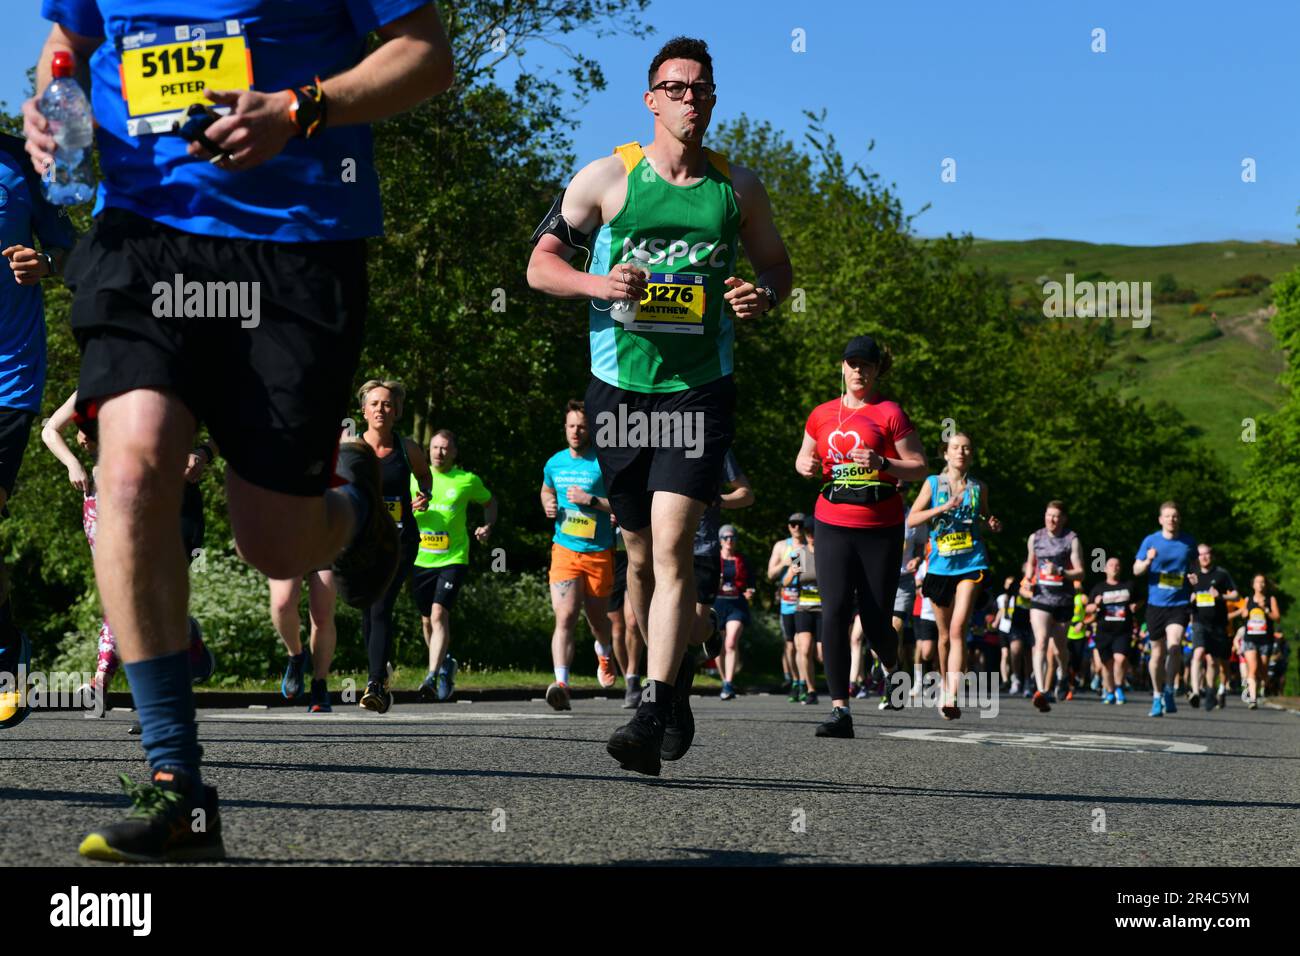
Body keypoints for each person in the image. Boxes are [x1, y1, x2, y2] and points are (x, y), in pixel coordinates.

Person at [27, 0, 454, 861]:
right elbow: (67, 42)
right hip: (142, 232)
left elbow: (425, 54)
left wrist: (302, 108)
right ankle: (175, 783)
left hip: (295, 244)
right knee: (133, 467)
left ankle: (358, 513)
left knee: (276, 545)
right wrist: (51, 110)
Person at [527, 36, 792, 775]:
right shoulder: (608, 177)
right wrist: (598, 284)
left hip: (698, 388)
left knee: (674, 546)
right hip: (618, 390)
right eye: (675, 88)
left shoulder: (737, 188)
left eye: (701, 89)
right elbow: (539, 265)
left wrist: (762, 293)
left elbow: (776, 265)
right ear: (651, 100)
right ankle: (674, 689)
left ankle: (649, 704)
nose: (689, 99)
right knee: (638, 554)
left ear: (713, 101)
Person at [41, 390, 217, 715]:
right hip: (100, 498)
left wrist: (202, 453)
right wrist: (72, 464)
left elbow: (227, 425)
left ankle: (111, 683)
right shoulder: (93, 383)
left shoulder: (172, 377)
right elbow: (50, 429)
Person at [796, 335, 927, 739]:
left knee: (874, 619)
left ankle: (893, 667)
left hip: (880, 527)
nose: (858, 371)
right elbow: (805, 456)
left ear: (876, 370)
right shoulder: (821, 414)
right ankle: (840, 710)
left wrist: (883, 461)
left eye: (865, 365)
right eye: (852, 363)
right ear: (842, 367)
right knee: (833, 611)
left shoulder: (890, 413)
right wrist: (803, 462)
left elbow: (920, 466)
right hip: (832, 522)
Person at [0, 132, 75, 730]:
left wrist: (46, 263)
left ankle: (4, 658)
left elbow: (80, 255)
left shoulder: (22, 165)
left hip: (6, 376)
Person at [907, 432, 1000, 719]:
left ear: (971, 455)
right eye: (956, 448)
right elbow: (912, 518)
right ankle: (944, 684)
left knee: (959, 629)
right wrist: (943, 507)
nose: (962, 452)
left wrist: (991, 522)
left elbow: (983, 516)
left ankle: (951, 695)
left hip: (972, 563)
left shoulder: (978, 487)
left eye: (967, 448)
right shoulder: (933, 483)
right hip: (939, 567)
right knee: (944, 636)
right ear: (946, 454)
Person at [355, 380, 431, 712]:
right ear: (363, 410)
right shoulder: (352, 448)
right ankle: (380, 670)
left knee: (381, 604)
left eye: (386, 404)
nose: (381, 409)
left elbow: (424, 476)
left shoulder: (408, 447)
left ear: (395, 410)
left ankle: (374, 684)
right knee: (368, 611)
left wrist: (424, 494)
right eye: (374, 404)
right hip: (361, 542)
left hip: (400, 541)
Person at [541, 400, 615, 711]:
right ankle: (561, 684)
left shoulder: (604, 463)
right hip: (565, 550)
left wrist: (593, 500)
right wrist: (547, 503)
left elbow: (623, 503)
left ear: (591, 429)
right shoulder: (554, 463)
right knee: (566, 615)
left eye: (582, 426)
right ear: (565, 428)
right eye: (571, 425)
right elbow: (546, 489)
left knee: (597, 620)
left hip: (599, 552)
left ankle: (605, 651)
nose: (576, 431)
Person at [413, 429, 495, 702]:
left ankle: (431, 675)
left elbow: (490, 502)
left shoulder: (466, 480)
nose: (439, 452)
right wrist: (413, 508)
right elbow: (397, 509)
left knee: (439, 615)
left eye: (445, 448)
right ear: (429, 450)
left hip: (453, 558)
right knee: (427, 621)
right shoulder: (415, 478)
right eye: (435, 447)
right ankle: (446, 663)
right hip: (420, 558)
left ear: (454, 452)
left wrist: (488, 526)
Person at [1133, 501, 1196, 717]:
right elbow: (1136, 570)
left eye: (1175, 516)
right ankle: (1157, 695)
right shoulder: (1151, 541)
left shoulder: (1188, 542)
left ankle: (1169, 688)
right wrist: (1148, 561)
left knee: (1175, 645)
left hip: (1179, 604)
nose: (1172, 519)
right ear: (1161, 519)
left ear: (1179, 519)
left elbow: (1195, 568)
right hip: (1155, 604)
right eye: (1168, 516)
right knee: (1157, 653)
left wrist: (1194, 579)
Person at [1024, 501, 1084, 713]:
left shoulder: (1071, 539)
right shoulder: (1036, 537)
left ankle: (1063, 674)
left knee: (1059, 648)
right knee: (1040, 642)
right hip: (1040, 597)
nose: (1052, 520)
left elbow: (1080, 572)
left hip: (1063, 599)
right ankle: (1042, 690)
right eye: (1049, 515)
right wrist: (1027, 579)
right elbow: (1030, 564)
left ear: (1064, 518)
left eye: (1057, 516)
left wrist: (1060, 570)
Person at [269, 572, 337, 713]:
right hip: (286, 550)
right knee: (282, 605)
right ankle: (296, 657)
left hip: (322, 550)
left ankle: (320, 686)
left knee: (322, 615)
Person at [1186, 544, 1237, 711]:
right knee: (1199, 652)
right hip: (1199, 621)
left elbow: (1236, 594)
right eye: (1200, 555)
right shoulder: (1193, 575)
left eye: (1207, 554)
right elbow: (1181, 595)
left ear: (1211, 555)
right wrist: (1190, 597)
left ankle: (1209, 691)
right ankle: (1194, 691)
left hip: (1218, 624)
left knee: (1212, 661)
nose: (1204, 557)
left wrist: (1221, 596)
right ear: (1197, 557)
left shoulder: (1221, 574)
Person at [1086, 558, 1140, 705]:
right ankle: (1109, 691)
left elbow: (1140, 600)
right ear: (1105, 569)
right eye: (1111, 565)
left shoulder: (1128, 586)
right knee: (1106, 663)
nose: (1114, 568)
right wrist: (1095, 604)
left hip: (1123, 630)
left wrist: (1135, 606)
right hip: (1104, 631)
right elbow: (1088, 609)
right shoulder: (1099, 588)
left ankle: (1119, 688)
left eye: (1117, 565)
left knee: (1120, 659)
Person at [607, 519, 647, 708]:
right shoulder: (594, 491)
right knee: (617, 630)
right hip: (609, 562)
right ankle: (630, 682)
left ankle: (633, 677)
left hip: (633, 557)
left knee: (633, 622)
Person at [712, 524, 754, 699]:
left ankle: (729, 682)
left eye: (732, 537)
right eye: (725, 537)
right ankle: (725, 683)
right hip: (717, 604)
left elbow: (751, 582)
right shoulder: (713, 559)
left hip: (736, 605)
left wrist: (750, 591)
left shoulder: (742, 559)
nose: (729, 540)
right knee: (718, 646)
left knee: (730, 643)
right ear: (720, 540)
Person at [782, 521, 822, 705]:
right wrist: (792, 570)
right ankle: (810, 689)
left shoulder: (827, 552)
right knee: (804, 649)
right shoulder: (799, 554)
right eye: (807, 532)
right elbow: (786, 582)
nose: (811, 535)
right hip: (803, 607)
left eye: (813, 531)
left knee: (820, 654)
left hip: (823, 608)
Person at [767, 513, 807, 691]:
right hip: (787, 601)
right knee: (790, 645)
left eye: (800, 524)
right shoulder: (782, 546)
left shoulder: (810, 545)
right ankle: (793, 678)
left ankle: (802, 682)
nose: (796, 527)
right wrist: (785, 562)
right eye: (793, 524)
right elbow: (770, 574)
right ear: (789, 526)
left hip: (807, 600)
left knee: (805, 645)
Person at [1239, 574, 1280, 709]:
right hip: (1250, 638)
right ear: (1253, 585)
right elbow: (1243, 613)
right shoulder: (1248, 599)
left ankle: (1267, 684)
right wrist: (1244, 613)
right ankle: (1252, 698)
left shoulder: (1270, 599)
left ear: (1265, 585)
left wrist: (1266, 610)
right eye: (1258, 582)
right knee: (1253, 668)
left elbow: (1277, 617)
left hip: (1265, 640)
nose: (1260, 585)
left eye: (1263, 582)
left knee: (1263, 669)